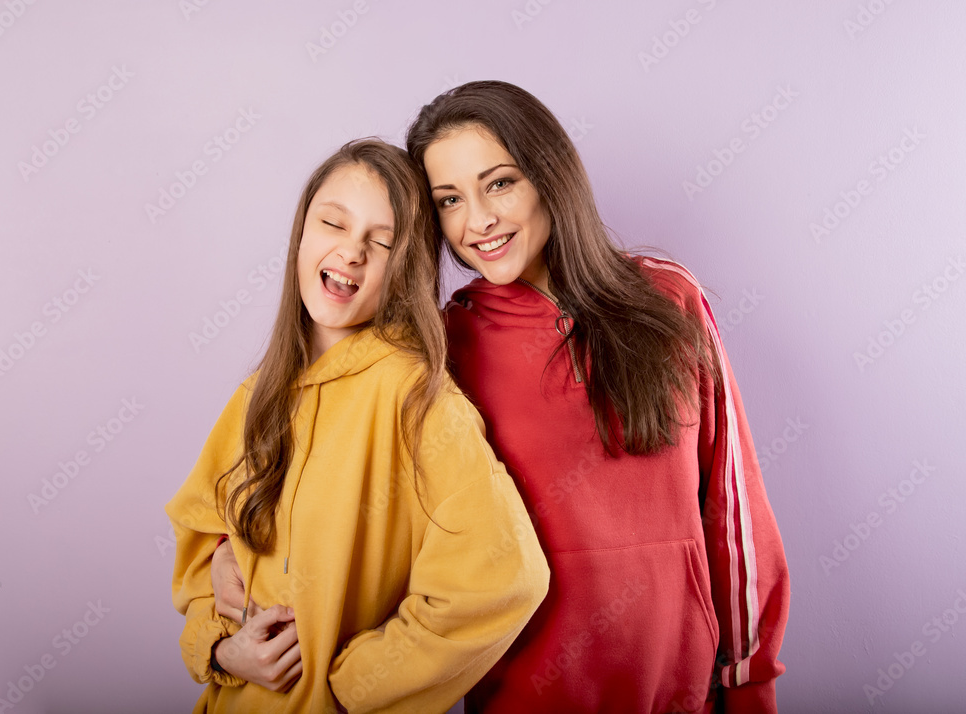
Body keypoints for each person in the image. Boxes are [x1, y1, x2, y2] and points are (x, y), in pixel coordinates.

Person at [214, 82, 790, 713]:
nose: (478, 221)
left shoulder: (668, 299)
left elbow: (734, 510)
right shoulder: (438, 351)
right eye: (449, 201)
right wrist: (224, 558)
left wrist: (749, 681)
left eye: (500, 183)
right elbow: (327, 481)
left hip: (679, 696)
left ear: (549, 174)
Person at [166, 138, 550, 714]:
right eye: (333, 224)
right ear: (302, 233)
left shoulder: (419, 400)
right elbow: (199, 536)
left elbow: (502, 579)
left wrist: (348, 688)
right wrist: (222, 649)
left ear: (406, 268)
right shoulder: (257, 395)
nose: (351, 253)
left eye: (382, 241)